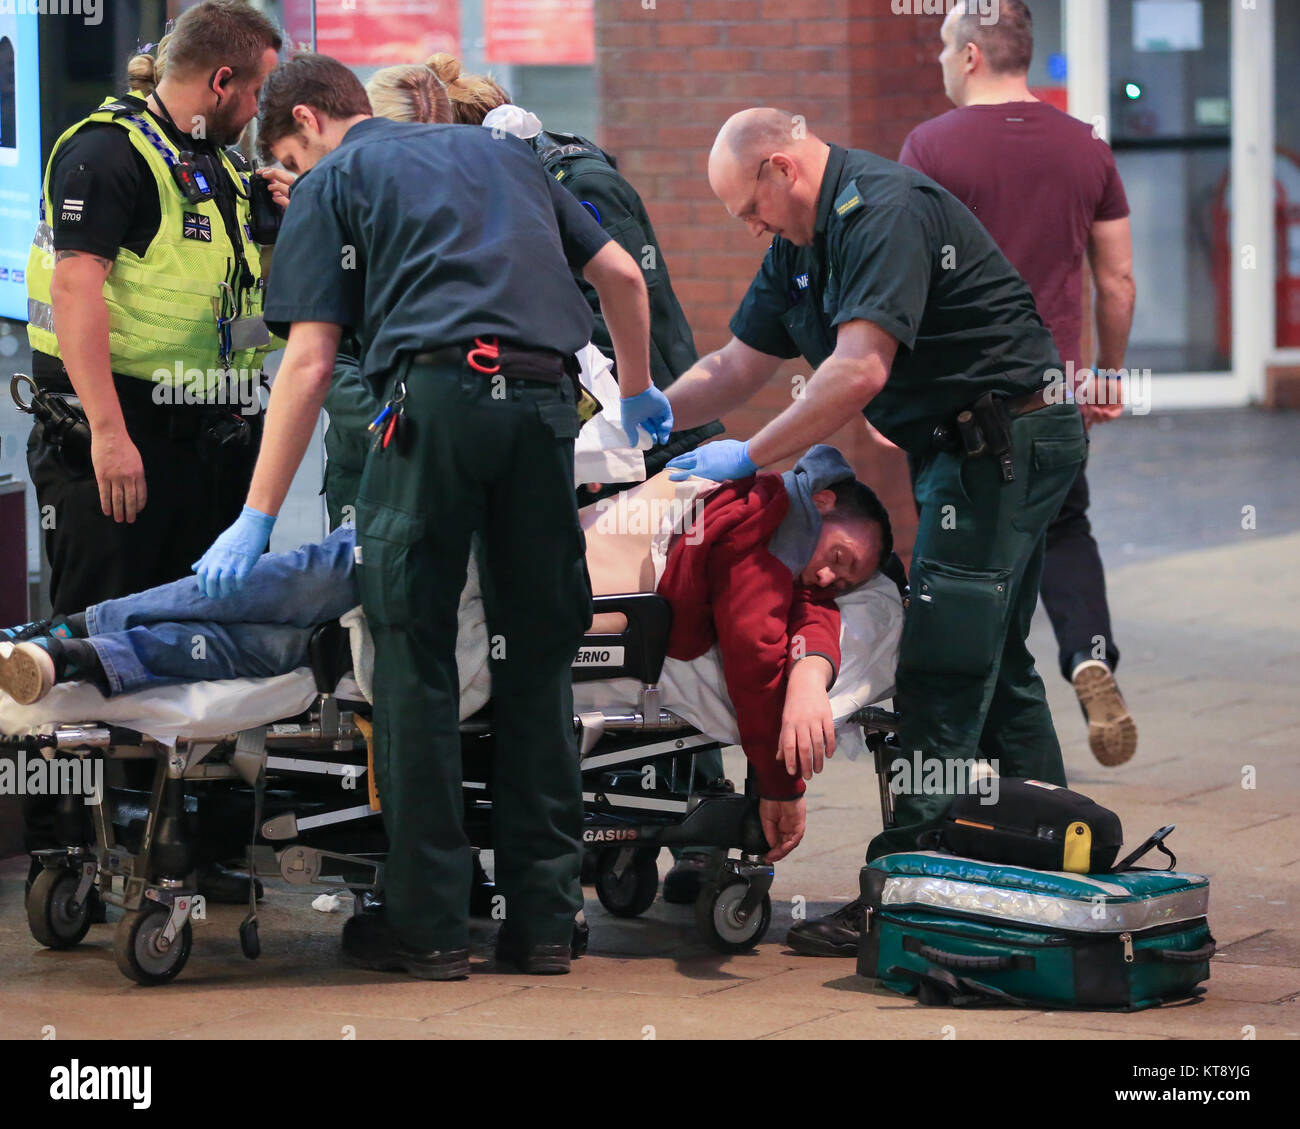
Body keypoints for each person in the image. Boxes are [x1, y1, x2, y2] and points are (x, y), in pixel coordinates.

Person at [191, 53, 672, 980]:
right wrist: (642, 392)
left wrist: (255, 514)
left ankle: (430, 925)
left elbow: (309, 361)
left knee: (412, 655)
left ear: (304, 122)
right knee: (537, 657)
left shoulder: (339, 176)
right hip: (541, 408)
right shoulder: (505, 157)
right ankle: (541, 924)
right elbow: (623, 276)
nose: (290, 174)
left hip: (432, 409)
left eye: (286, 154)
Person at [2, 445, 893, 872]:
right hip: (474, 562)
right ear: (834, 502)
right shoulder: (767, 523)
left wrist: (815, 667)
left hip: (469, 544)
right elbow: (754, 641)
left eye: (842, 579)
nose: (827, 573)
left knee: (281, 622)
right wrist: (780, 784)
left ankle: (77, 648)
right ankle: (78, 642)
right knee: (274, 606)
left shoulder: (751, 494)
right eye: (842, 557)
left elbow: (794, 622)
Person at [663, 107, 1087, 957]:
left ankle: (902, 890)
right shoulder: (798, 249)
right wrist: (646, 420)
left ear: (781, 167)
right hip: (972, 449)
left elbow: (857, 369)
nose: (748, 226)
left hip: (999, 445)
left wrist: (747, 455)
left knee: (941, 663)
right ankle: (1054, 867)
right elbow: (738, 365)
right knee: (997, 662)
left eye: (747, 206)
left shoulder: (880, 212)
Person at [359, 54, 725, 899]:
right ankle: (580, 864)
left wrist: (622, 423)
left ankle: (690, 821)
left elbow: (621, 307)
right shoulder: (506, 180)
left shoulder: (569, 176)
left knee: (643, 647)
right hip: (572, 433)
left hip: (639, 433)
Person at [19, 0, 283, 906]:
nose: (260, 109)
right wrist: (107, 433)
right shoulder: (107, 154)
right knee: (96, 641)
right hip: (118, 436)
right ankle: (78, 854)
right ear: (222, 81)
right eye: (255, 89)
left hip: (207, 442)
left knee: (196, 649)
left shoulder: (217, 166)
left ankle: (185, 847)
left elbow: (228, 304)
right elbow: (79, 286)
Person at [900, 0, 1138, 766]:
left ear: (970, 55)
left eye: (943, 45)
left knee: (970, 566)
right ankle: (1089, 654)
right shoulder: (1086, 149)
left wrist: (890, 390)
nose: (938, 59)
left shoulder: (929, 147)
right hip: (1052, 393)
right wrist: (1104, 370)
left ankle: (971, 755)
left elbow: (905, 282)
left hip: (962, 400)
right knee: (1063, 525)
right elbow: (1119, 279)